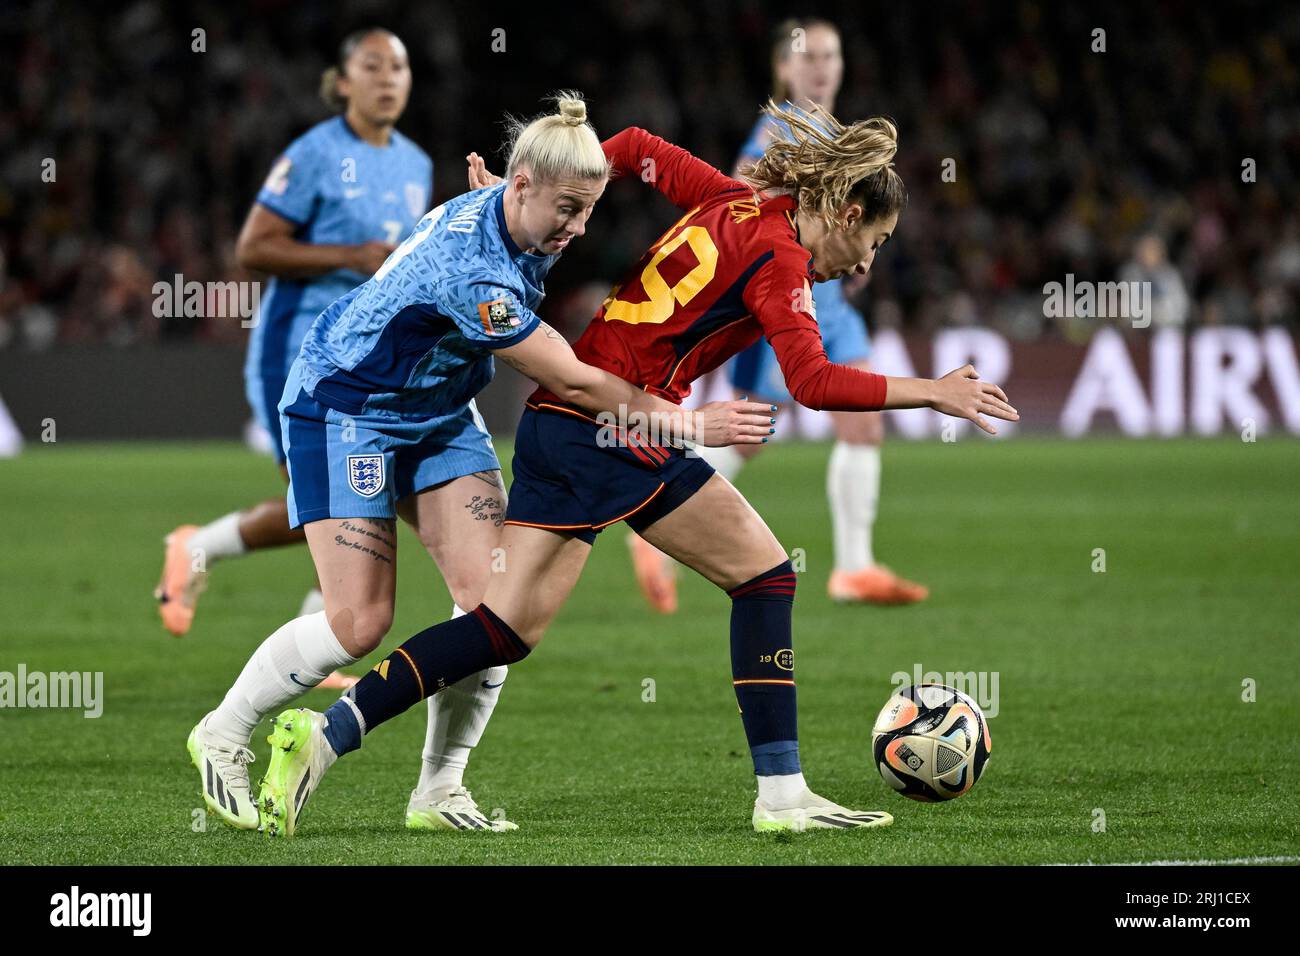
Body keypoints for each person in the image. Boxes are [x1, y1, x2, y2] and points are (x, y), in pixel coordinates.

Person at [254, 104, 1018, 836]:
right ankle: (783, 795)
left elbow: (630, 145)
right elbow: (814, 382)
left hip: (570, 421)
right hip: (614, 427)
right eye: (875, 241)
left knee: (502, 630)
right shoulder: (782, 261)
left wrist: (521, 189)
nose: (866, 262)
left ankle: (325, 736)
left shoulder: (734, 197)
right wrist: (933, 392)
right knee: (764, 575)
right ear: (848, 215)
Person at [184, 92, 771, 835]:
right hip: (347, 410)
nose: (577, 228)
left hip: (439, 416)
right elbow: (572, 380)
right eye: (567, 207)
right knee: (358, 622)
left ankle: (439, 790)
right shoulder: (477, 274)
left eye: (587, 210)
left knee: (492, 607)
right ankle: (224, 731)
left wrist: (512, 194)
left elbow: (573, 181)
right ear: (523, 186)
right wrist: (691, 423)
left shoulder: (515, 209)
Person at [627, 18, 928, 613]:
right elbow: (743, 198)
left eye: (831, 55)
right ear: (783, 69)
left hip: (829, 301)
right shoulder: (780, 133)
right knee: (753, 430)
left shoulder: (833, 133)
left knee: (862, 424)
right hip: (782, 293)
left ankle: (853, 567)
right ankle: (654, 512)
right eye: (807, 56)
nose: (820, 66)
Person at [156, 28, 426, 679]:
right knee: (334, 504)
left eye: (399, 66)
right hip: (295, 356)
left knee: (356, 498)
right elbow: (253, 248)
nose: (388, 78)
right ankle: (321, 633)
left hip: (362, 361)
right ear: (342, 82)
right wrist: (347, 257)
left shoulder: (415, 162)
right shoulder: (313, 154)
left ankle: (206, 549)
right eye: (372, 66)